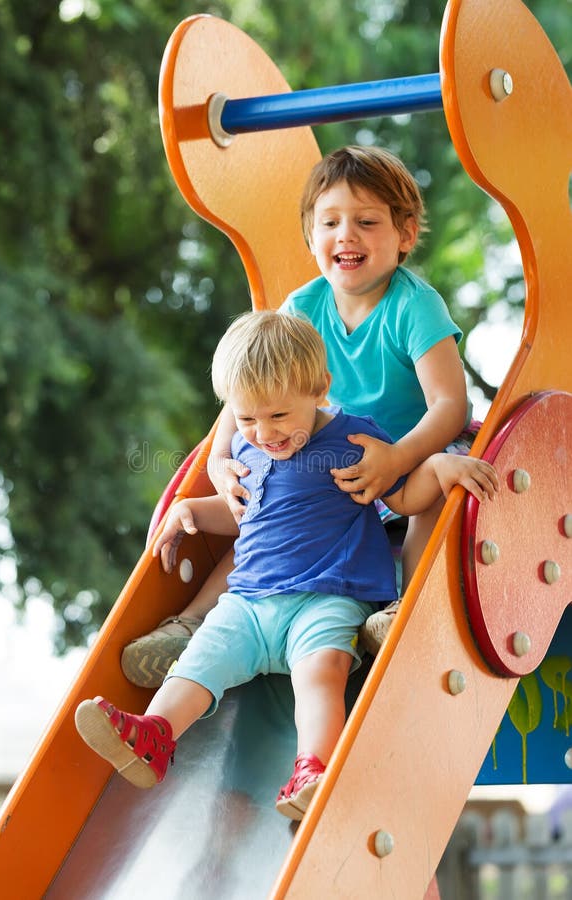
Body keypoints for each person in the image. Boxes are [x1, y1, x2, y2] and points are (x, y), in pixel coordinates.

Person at [76, 311, 497, 820]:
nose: (264, 432)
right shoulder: (245, 450)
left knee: (322, 673)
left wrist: (436, 467)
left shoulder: (353, 440)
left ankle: (313, 769)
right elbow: (244, 517)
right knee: (197, 662)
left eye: (278, 416)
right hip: (247, 603)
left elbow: (402, 497)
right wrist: (192, 510)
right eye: (248, 417)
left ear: (319, 388)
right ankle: (156, 736)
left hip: (326, 598)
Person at [121, 144, 478, 686]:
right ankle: (190, 625)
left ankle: (401, 606)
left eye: (366, 221)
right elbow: (251, 390)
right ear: (311, 235)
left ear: (405, 234)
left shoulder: (413, 305)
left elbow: (451, 405)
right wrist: (220, 461)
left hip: (406, 449)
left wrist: (399, 456)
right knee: (264, 506)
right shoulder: (301, 308)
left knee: (434, 487)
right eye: (330, 222)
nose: (346, 235)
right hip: (325, 457)